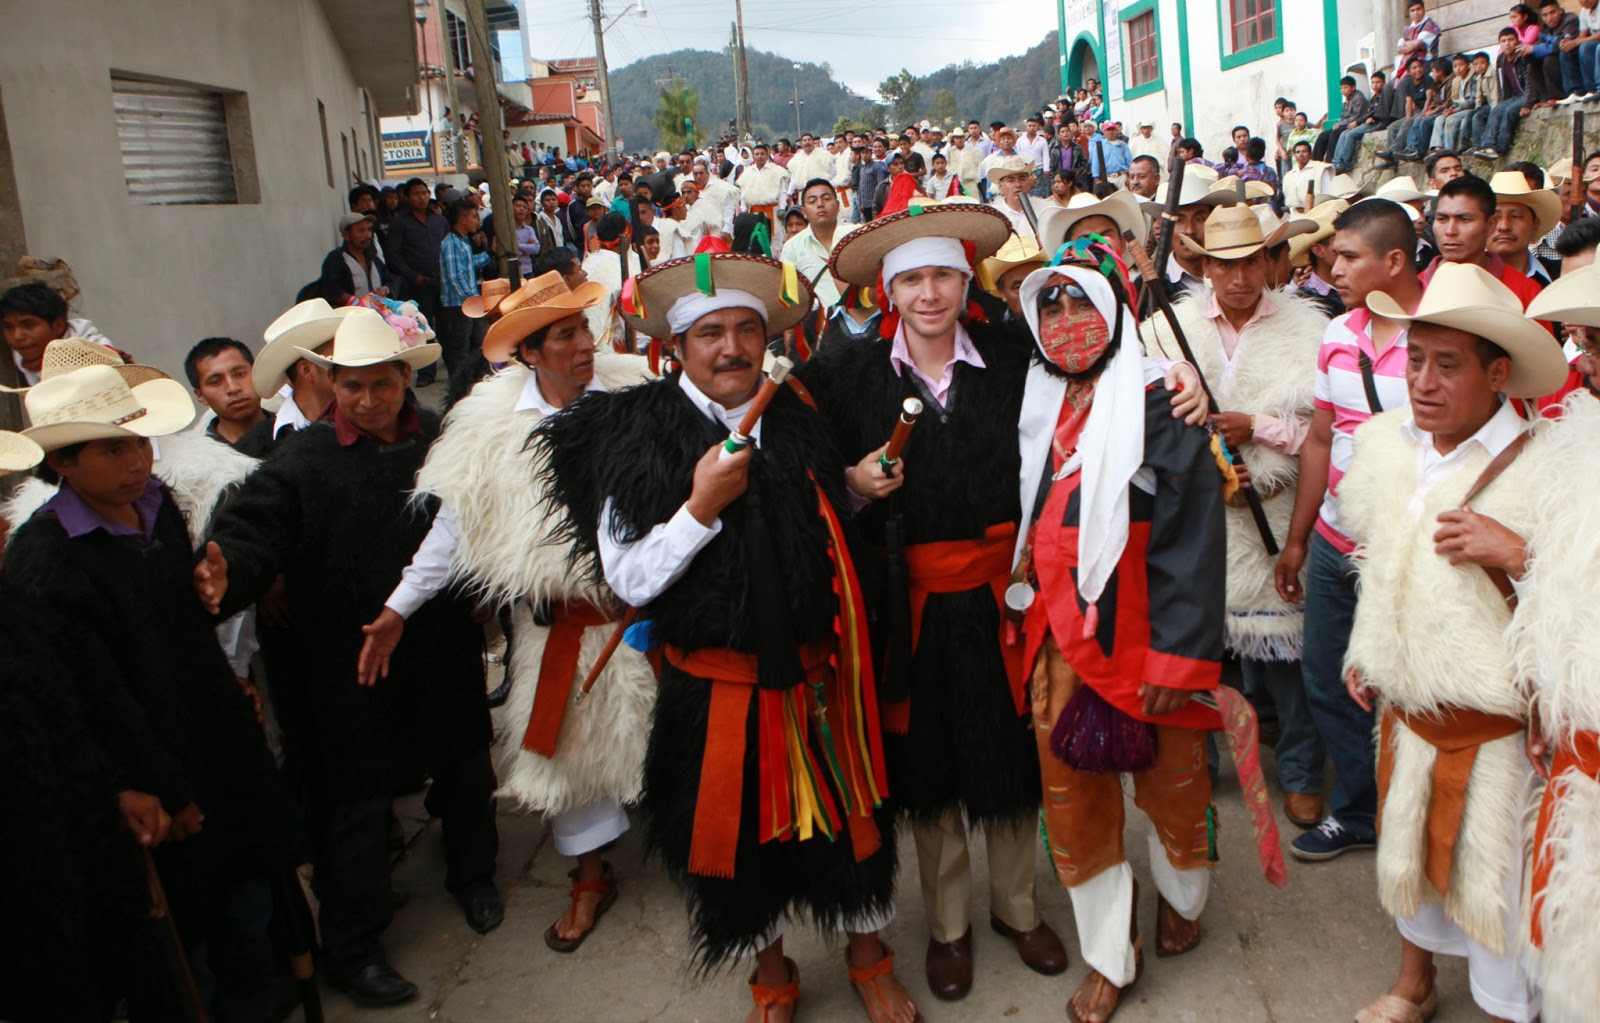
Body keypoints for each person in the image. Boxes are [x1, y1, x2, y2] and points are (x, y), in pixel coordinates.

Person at [537, 252, 919, 1023]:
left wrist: (852, 485)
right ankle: (771, 976)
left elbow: (813, 525)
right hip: (714, 694)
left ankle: (869, 956)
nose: (731, 348)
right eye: (710, 332)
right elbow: (631, 580)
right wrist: (699, 506)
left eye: (747, 329)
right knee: (739, 850)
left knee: (852, 838)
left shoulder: (795, 413)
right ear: (674, 349)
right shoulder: (630, 434)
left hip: (818, 679)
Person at [198, 309, 501, 1007]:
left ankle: (474, 878)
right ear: (331, 382)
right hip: (347, 656)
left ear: (405, 378)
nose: (366, 401)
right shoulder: (302, 459)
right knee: (356, 805)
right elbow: (252, 528)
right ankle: (354, 947)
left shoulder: (437, 439)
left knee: (463, 765)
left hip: (438, 638)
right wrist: (233, 571)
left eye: (381, 385)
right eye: (351, 387)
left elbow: (477, 514)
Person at [809, 204, 1069, 1003]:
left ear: (968, 281)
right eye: (913, 279)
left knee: (1013, 749)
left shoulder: (1016, 356)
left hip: (1006, 594)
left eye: (944, 276)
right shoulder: (843, 377)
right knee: (929, 768)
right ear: (889, 291)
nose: (930, 293)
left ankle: (1017, 906)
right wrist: (852, 484)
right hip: (906, 602)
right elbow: (809, 483)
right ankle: (949, 924)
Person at [361, 275, 656, 956]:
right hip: (556, 624)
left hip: (644, 612)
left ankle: (692, 846)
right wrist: (399, 606)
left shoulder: (636, 394)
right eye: (565, 335)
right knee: (566, 753)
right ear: (529, 353)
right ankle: (590, 875)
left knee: (668, 733)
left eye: (585, 328)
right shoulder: (491, 426)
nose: (585, 345)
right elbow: (454, 528)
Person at [1, 357, 295, 1021]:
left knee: (249, 914)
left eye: (137, 440)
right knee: (181, 950)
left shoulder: (157, 510)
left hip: (213, 746)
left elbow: (186, 631)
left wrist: (229, 688)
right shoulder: (42, 562)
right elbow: (82, 700)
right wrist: (149, 787)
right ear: (65, 466)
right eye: (113, 449)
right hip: (145, 782)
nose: (136, 460)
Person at [1339, 261, 1567, 1023]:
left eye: (1447, 364)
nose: (1424, 382)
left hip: (1497, 732)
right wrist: (1365, 651)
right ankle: (1415, 980)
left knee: (1493, 889)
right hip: (1407, 711)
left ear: (1498, 373)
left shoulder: (1546, 468)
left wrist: (1519, 553)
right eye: (1414, 358)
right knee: (1409, 864)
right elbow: (1377, 563)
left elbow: (1581, 601)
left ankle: (1505, 1008)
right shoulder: (1384, 445)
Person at [1012, 242, 1229, 1023]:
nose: (1067, 321)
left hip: (1147, 634)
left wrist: (1180, 660)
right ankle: (1110, 954)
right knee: (1072, 799)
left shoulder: (1161, 398)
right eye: (1051, 304)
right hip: (1059, 640)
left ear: (1115, 311)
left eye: (1082, 302)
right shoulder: (1033, 395)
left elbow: (1193, 532)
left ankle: (1183, 894)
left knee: (1175, 788)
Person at [1143, 205, 1332, 828]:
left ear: (1272, 261)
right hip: (1193, 513)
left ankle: (1302, 771)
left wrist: (1258, 429)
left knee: (1285, 659)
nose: (1240, 277)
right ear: (1203, 266)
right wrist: (1202, 461)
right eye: (1224, 264)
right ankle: (1198, 769)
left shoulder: (1309, 333)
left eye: (1252, 261)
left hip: (1274, 512)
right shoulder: (1167, 331)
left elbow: (1328, 431)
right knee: (1198, 652)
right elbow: (1143, 411)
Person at [1274, 199, 1422, 862]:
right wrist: (1300, 537)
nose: (1333, 268)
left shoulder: (1441, 338)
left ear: (1394, 261)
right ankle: (1360, 808)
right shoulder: (1337, 336)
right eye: (1334, 255)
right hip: (1335, 544)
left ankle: (1419, 817)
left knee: (1409, 686)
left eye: (1350, 256)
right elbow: (1320, 439)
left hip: (1408, 551)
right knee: (1327, 678)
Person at [1514, 264, 1600, 1023]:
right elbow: (1556, 582)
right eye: (1586, 339)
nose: (1587, 359)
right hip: (1580, 751)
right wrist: (1545, 687)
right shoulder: (1577, 438)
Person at [1426, 175, 1543, 310]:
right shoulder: (1416, 288)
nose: (1450, 231)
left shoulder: (1526, 291)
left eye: (1464, 219)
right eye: (1442, 219)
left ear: (1490, 225)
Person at [437, 197, 492, 407]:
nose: (477, 220)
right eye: (473, 216)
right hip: (459, 306)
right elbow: (455, 277)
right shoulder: (450, 243)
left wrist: (488, 253)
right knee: (460, 350)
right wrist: (472, 300)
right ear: (461, 219)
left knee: (478, 344)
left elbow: (468, 267)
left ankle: (474, 386)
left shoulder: (463, 241)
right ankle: (458, 394)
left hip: (470, 303)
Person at [185, 336, 269, 456]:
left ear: (257, 373)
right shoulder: (199, 460)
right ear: (200, 396)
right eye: (215, 382)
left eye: (240, 374)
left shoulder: (295, 431)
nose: (233, 388)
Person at [781, 179, 856, 310]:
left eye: (826, 199)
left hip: (858, 317)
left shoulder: (855, 235)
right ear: (804, 212)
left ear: (838, 205)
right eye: (812, 201)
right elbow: (789, 296)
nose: (820, 204)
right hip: (818, 324)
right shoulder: (791, 247)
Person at [386, 178, 448, 321]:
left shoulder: (439, 220)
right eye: (416, 194)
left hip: (442, 281)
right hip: (416, 284)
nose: (422, 197)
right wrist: (413, 276)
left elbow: (447, 247)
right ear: (407, 197)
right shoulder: (399, 222)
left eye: (425, 193)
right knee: (421, 323)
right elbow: (393, 254)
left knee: (447, 324)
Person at [1487, 170, 1563, 288]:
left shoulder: (1559, 276)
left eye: (1515, 216)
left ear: (1535, 224)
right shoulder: (1468, 279)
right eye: (1495, 217)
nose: (1504, 226)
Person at [1472, 27, 1531, 161]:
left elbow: (1531, 82)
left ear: (1517, 41)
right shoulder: (1501, 59)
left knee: (1509, 111)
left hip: (1528, 94)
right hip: (1514, 96)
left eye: (1511, 40)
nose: (1507, 43)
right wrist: (1502, 101)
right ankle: (1488, 146)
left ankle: (1501, 147)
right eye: (1503, 41)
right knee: (1497, 110)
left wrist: (1528, 103)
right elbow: (1502, 84)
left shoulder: (1524, 56)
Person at [320, 212, 389, 306]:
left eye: (369, 230)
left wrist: (384, 289)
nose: (368, 235)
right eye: (361, 231)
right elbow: (333, 291)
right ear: (346, 235)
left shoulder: (373, 258)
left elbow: (388, 280)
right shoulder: (336, 259)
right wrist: (361, 303)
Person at [737, 144, 792, 242]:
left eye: (762, 154)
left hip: (773, 211)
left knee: (776, 239)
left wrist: (782, 208)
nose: (759, 156)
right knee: (756, 239)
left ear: (767, 155)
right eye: (757, 154)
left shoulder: (777, 172)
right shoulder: (747, 173)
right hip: (754, 212)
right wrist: (743, 210)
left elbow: (782, 192)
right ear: (753, 156)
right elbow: (744, 194)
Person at [987, 155, 1044, 243]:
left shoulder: (1044, 211)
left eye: (1022, 179)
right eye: (1011, 180)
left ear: (1029, 183)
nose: (1018, 184)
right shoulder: (993, 216)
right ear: (1001, 186)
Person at [1397, 0, 1442, 76]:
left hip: (1427, 63)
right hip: (1409, 64)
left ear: (1423, 10)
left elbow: (1418, 44)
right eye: (1413, 10)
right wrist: (1411, 45)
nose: (1416, 13)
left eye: (1418, 9)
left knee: (1406, 82)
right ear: (1409, 13)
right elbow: (1399, 49)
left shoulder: (1430, 25)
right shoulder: (1408, 28)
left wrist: (1406, 44)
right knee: (1390, 85)